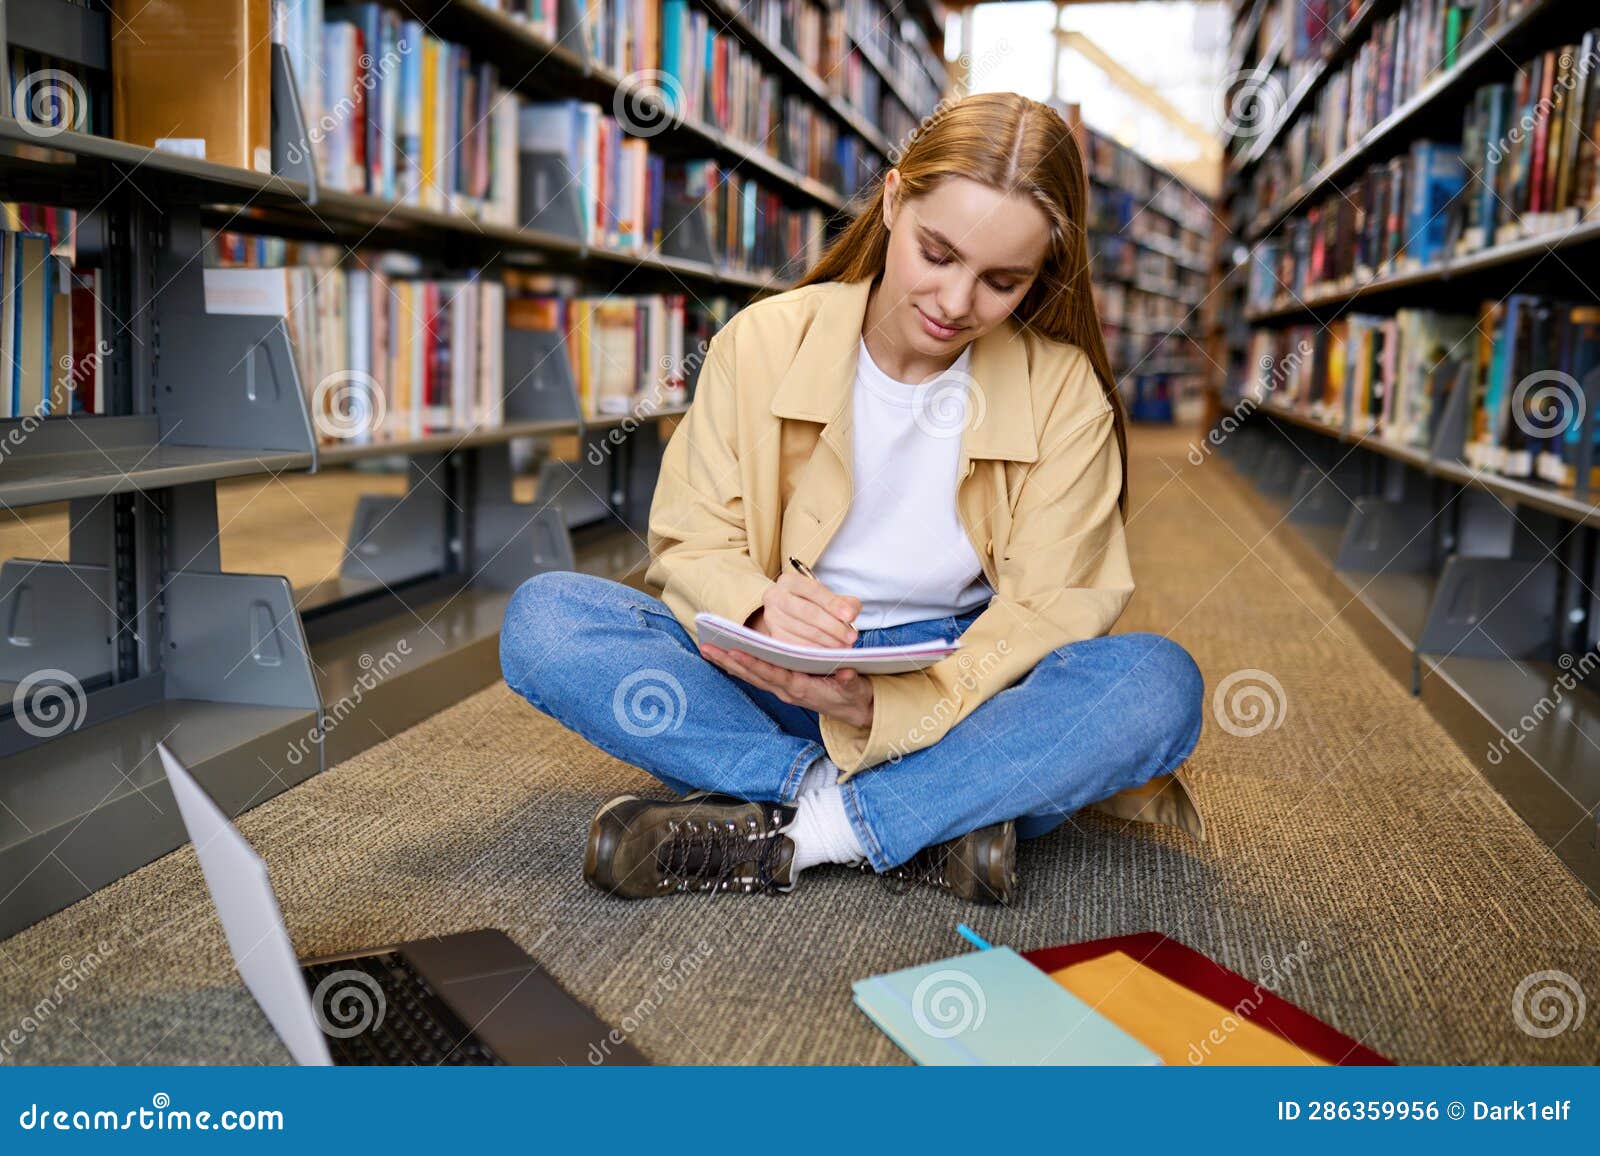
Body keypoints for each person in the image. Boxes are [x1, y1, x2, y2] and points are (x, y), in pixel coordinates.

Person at [500, 92, 1206, 906]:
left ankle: (802, 830)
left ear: (1040, 273)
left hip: (964, 698)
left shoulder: (1064, 390)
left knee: (1157, 685)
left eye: (1001, 282)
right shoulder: (763, 340)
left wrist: (893, 701)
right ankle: (933, 818)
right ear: (895, 199)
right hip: (776, 677)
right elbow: (693, 540)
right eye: (936, 254)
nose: (954, 304)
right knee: (546, 619)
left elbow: (1053, 609)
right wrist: (761, 610)